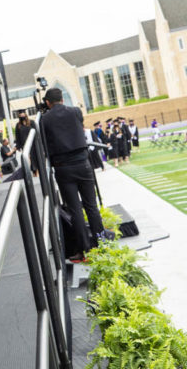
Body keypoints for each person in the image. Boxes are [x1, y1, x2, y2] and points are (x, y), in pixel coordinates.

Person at [39, 88, 113, 261]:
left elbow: (44, 141)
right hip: (83, 164)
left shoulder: (44, 119)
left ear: (48, 102)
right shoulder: (75, 111)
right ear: (62, 99)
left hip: (63, 168)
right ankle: (101, 243)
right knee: (91, 206)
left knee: (75, 210)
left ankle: (84, 250)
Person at [15, 111, 39, 176]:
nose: (22, 115)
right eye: (20, 114)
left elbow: (36, 132)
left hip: (33, 143)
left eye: (23, 114)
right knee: (29, 158)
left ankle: (36, 170)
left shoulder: (31, 122)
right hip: (25, 145)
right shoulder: (18, 125)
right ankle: (33, 171)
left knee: (34, 157)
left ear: (25, 114)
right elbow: (17, 136)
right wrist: (18, 146)